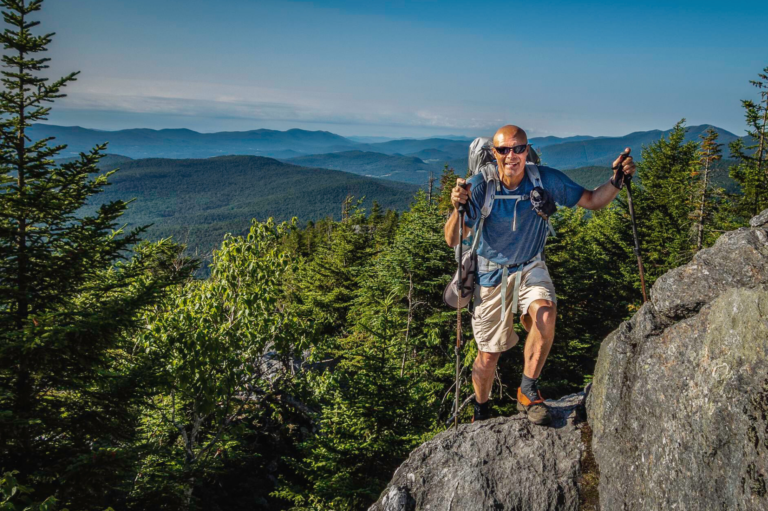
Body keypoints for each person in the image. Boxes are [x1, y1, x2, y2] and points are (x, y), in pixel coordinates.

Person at [443, 125, 636, 425]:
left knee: (545, 315)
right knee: (487, 357)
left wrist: (617, 181)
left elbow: (593, 200)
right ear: (494, 154)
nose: (512, 155)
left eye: (518, 148)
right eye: (504, 150)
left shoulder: (543, 179)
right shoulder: (480, 185)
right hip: (491, 274)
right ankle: (481, 408)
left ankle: (528, 391)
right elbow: (454, 239)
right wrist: (458, 208)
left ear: (527, 150)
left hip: (531, 264)